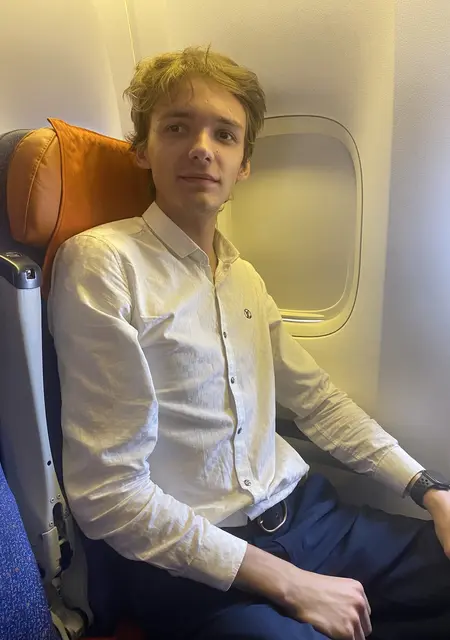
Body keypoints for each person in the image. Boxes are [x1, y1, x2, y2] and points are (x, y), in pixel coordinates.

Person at [48, 46, 450, 640]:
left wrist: (431, 490)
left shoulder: (244, 278)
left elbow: (319, 403)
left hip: (310, 516)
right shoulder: (105, 263)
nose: (202, 148)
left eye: (225, 134)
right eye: (177, 127)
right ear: (143, 150)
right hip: (197, 562)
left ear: (243, 165)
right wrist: (292, 584)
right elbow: (109, 493)